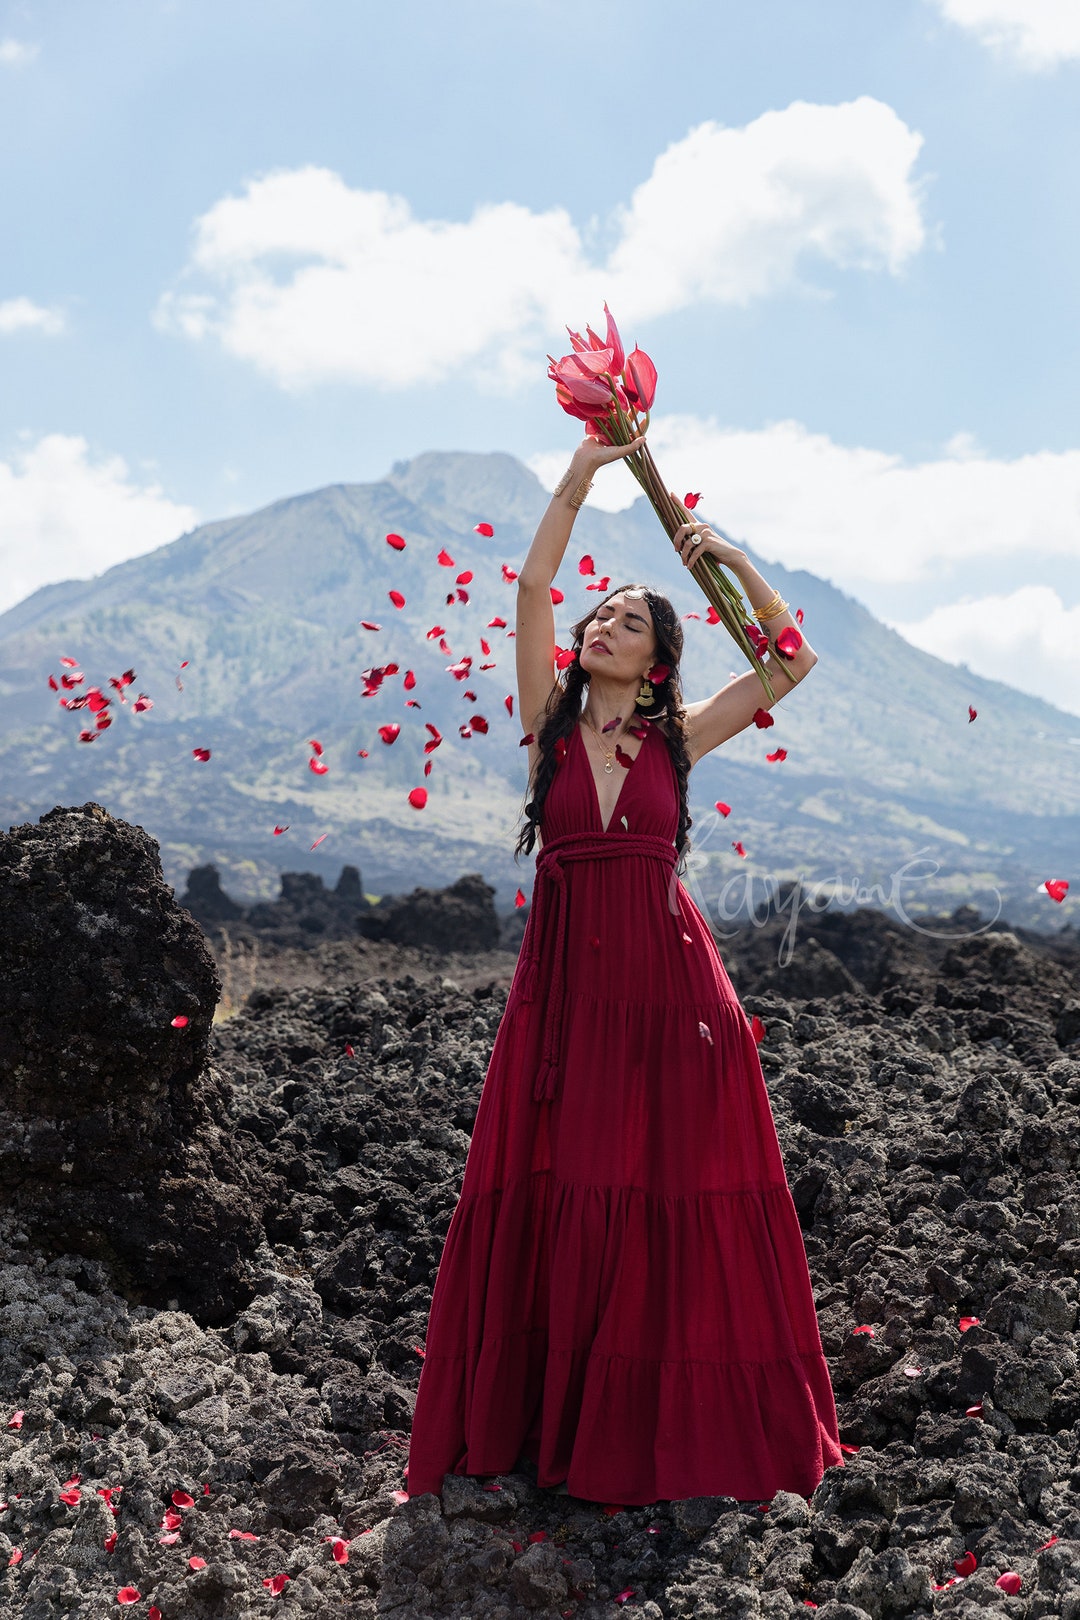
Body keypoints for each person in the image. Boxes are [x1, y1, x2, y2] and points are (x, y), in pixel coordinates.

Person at [405, 431, 844, 1506]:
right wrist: (588, 472)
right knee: (568, 1177)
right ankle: (558, 1413)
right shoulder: (546, 728)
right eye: (600, 616)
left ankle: (659, 1420)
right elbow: (535, 583)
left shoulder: (681, 739)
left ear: (658, 660)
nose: (601, 622)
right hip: (563, 989)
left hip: (669, 988)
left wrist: (728, 557)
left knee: (668, 1187)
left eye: (629, 620)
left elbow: (791, 659)